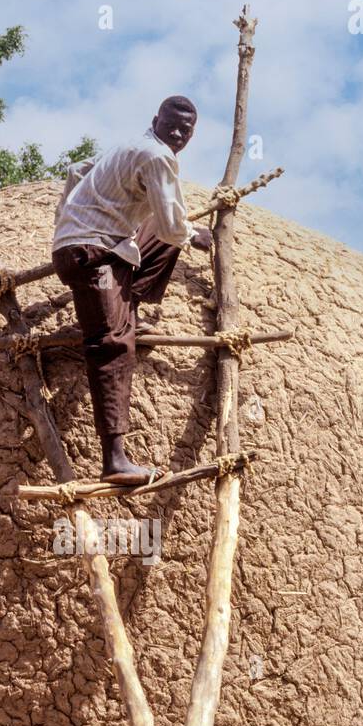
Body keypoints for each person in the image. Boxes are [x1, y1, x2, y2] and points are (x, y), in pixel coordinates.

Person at [52, 97, 213, 485]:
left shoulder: (126, 145)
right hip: (92, 255)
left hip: (91, 245)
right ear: (156, 119)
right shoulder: (158, 157)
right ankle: (114, 459)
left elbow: (77, 169)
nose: (177, 134)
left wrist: (64, 220)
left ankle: (127, 309)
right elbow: (176, 224)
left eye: (185, 130)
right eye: (172, 125)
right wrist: (196, 236)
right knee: (111, 343)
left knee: (161, 236)